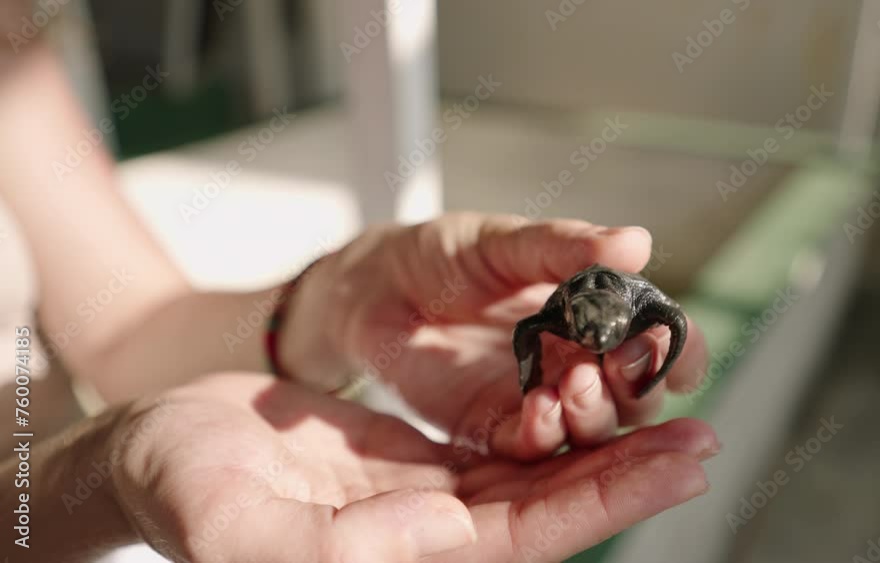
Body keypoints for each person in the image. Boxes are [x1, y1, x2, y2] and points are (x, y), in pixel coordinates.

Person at [0, 12, 718, 563]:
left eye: (591, 332)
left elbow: (128, 327)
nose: (584, 339)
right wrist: (88, 474)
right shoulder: (558, 317)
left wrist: (339, 301)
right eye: (581, 329)